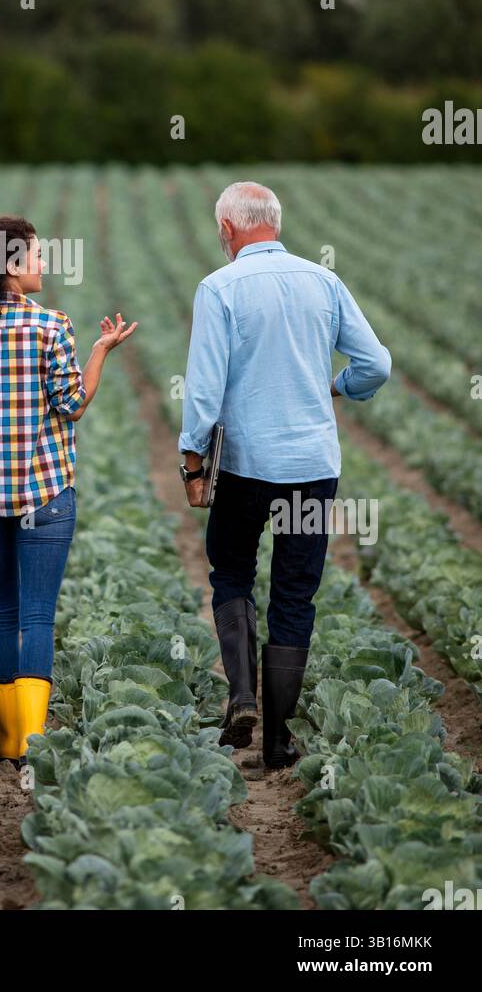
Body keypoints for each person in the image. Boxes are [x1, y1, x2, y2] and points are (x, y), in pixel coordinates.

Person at [178, 182, 391, 770]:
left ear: (227, 230)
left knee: (231, 572)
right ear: (275, 222)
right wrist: (338, 387)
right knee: (296, 594)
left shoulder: (219, 288)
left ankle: (242, 694)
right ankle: (277, 742)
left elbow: (204, 387)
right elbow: (377, 363)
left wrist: (192, 457)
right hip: (312, 467)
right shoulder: (323, 281)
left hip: (245, 465)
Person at [0, 215, 137, 768]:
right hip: (43, 495)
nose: (45, 264)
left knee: (1, 614)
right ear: (15, 268)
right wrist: (101, 351)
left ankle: (5, 739)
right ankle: (31, 742)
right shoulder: (51, 327)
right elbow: (72, 404)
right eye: (39, 256)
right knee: (37, 619)